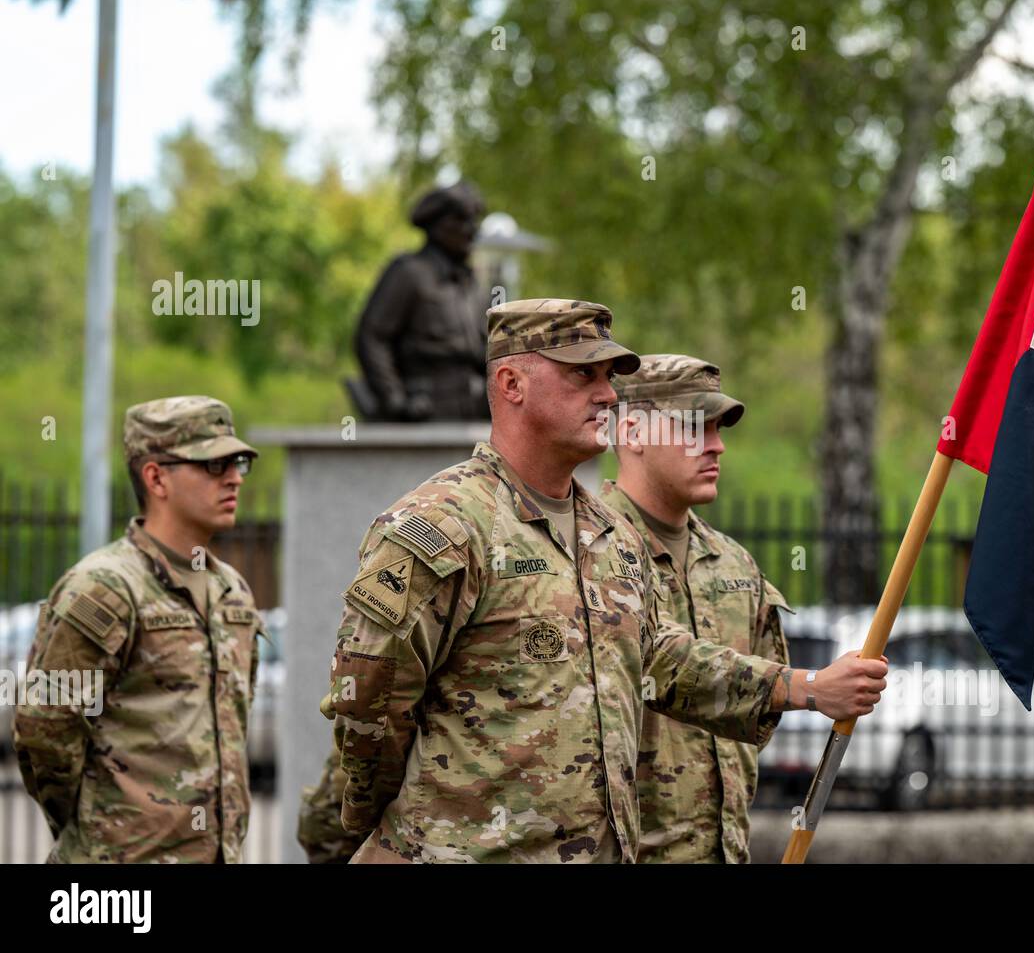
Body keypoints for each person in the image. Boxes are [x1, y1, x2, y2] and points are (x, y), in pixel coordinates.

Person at [322, 298, 888, 863]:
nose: (609, 395)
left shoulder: (611, 536)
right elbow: (370, 698)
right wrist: (400, 828)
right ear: (512, 382)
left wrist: (805, 688)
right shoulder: (445, 525)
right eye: (583, 374)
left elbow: (659, 660)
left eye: (609, 376)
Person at [15, 396, 266, 863]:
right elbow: (45, 731)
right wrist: (95, 826)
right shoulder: (105, 587)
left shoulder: (232, 591)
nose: (233, 477)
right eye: (213, 465)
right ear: (156, 477)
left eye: (238, 463)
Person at [601, 354, 789, 863]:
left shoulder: (733, 563)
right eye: (694, 426)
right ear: (634, 432)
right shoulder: (586, 552)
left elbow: (756, 719)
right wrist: (812, 689)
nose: (716, 445)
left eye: (718, 428)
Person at [352, 180, 491, 421]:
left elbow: (484, 350)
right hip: (424, 412)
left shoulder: (471, 283)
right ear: (437, 226)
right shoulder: (408, 273)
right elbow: (372, 337)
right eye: (462, 220)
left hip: (473, 413)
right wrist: (395, 400)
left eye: (474, 221)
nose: (472, 230)